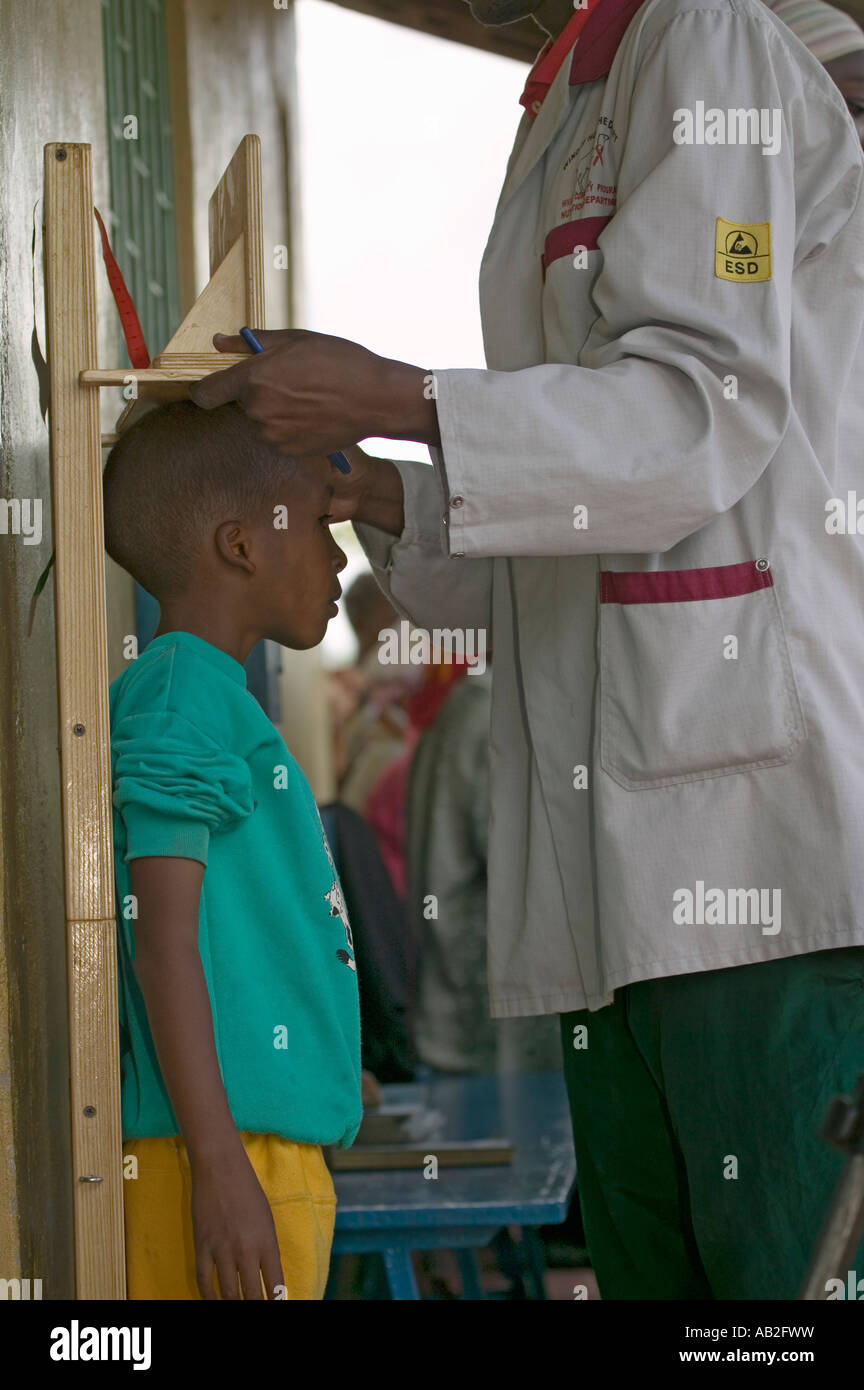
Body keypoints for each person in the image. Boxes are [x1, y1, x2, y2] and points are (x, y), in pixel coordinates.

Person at [191, 0, 864, 1300]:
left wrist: (401, 394)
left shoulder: (714, 39)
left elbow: (688, 414)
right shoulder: (568, 98)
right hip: (615, 884)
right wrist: (381, 486)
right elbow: (574, 507)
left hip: (755, 856)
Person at [103, 400, 362, 1300]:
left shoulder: (207, 695)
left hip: (253, 1149)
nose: (337, 558)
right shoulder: (180, 699)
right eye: (323, 530)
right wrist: (218, 1169)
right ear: (241, 544)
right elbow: (159, 938)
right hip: (217, 1158)